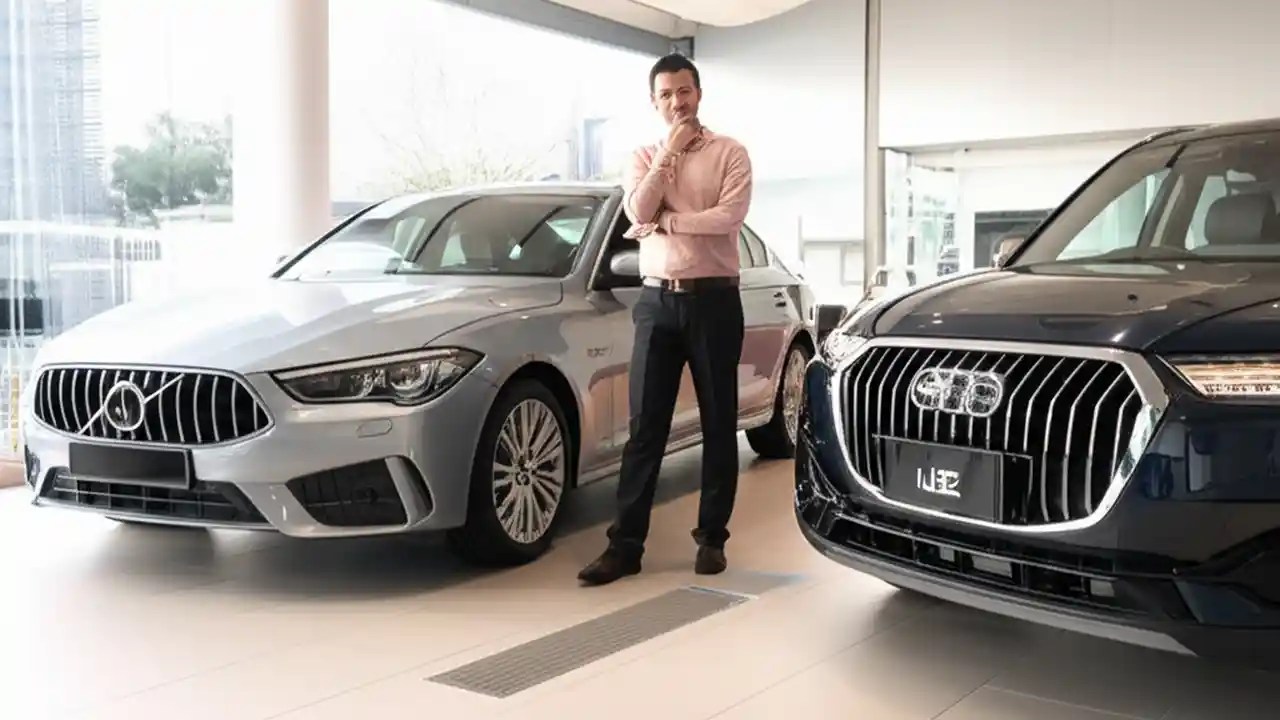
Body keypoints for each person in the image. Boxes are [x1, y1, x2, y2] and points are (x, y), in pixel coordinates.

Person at [578, 53, 753, 586]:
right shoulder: (645, 155)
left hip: (715, 302)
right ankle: (625, 547)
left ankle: (712, 539)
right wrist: (670, 155)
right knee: (644, 430)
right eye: (666, 95)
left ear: (699, 93)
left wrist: (669, 221)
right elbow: (637, 212)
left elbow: (731, 217)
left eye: (685, 91)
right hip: (657, 305)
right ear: (654, 103)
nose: (677, 102)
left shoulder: (730, 152)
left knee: (720, 423)